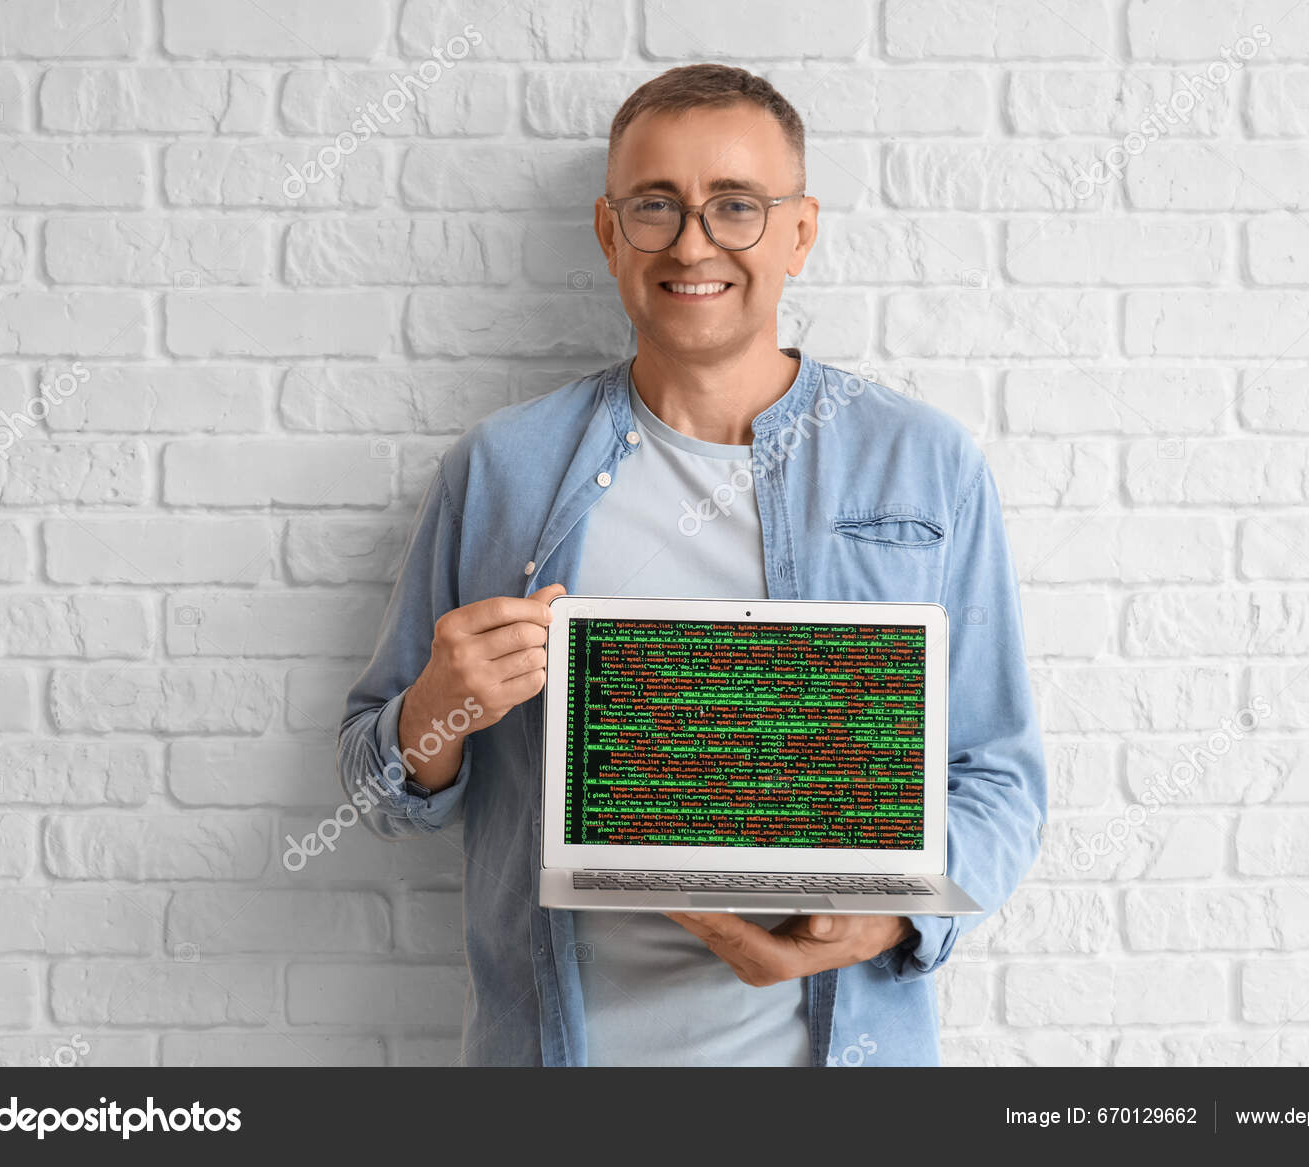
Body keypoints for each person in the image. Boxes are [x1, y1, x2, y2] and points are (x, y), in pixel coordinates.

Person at [338, 63, 1046, 1067]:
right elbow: (375, 782)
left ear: (800, 232)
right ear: (608, 230)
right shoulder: (503, 466)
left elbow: (998, 777)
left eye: (735, 207)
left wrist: (888, 920)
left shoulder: (922, 463)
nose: (692, 242)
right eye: (655, 206)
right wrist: (438, 710)